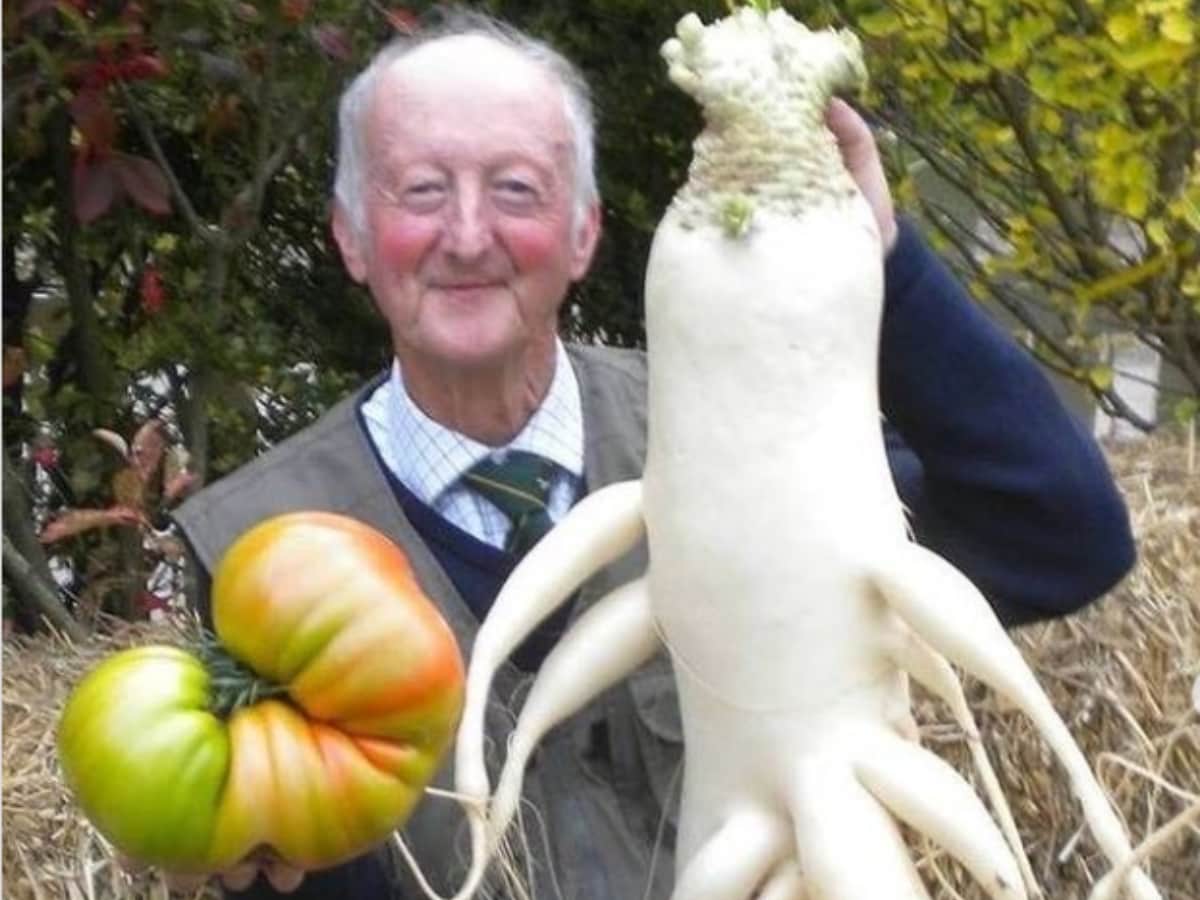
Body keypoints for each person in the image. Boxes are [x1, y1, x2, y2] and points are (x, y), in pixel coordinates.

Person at [165, 7, 1136, 899]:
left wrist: (877, 256)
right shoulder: (255, 543)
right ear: (351, 236)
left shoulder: (743, 420)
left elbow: (1060, 537)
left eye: (516, 190)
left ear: (584, 233)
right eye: (422, 191)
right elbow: (294, 841)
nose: (467, 235)